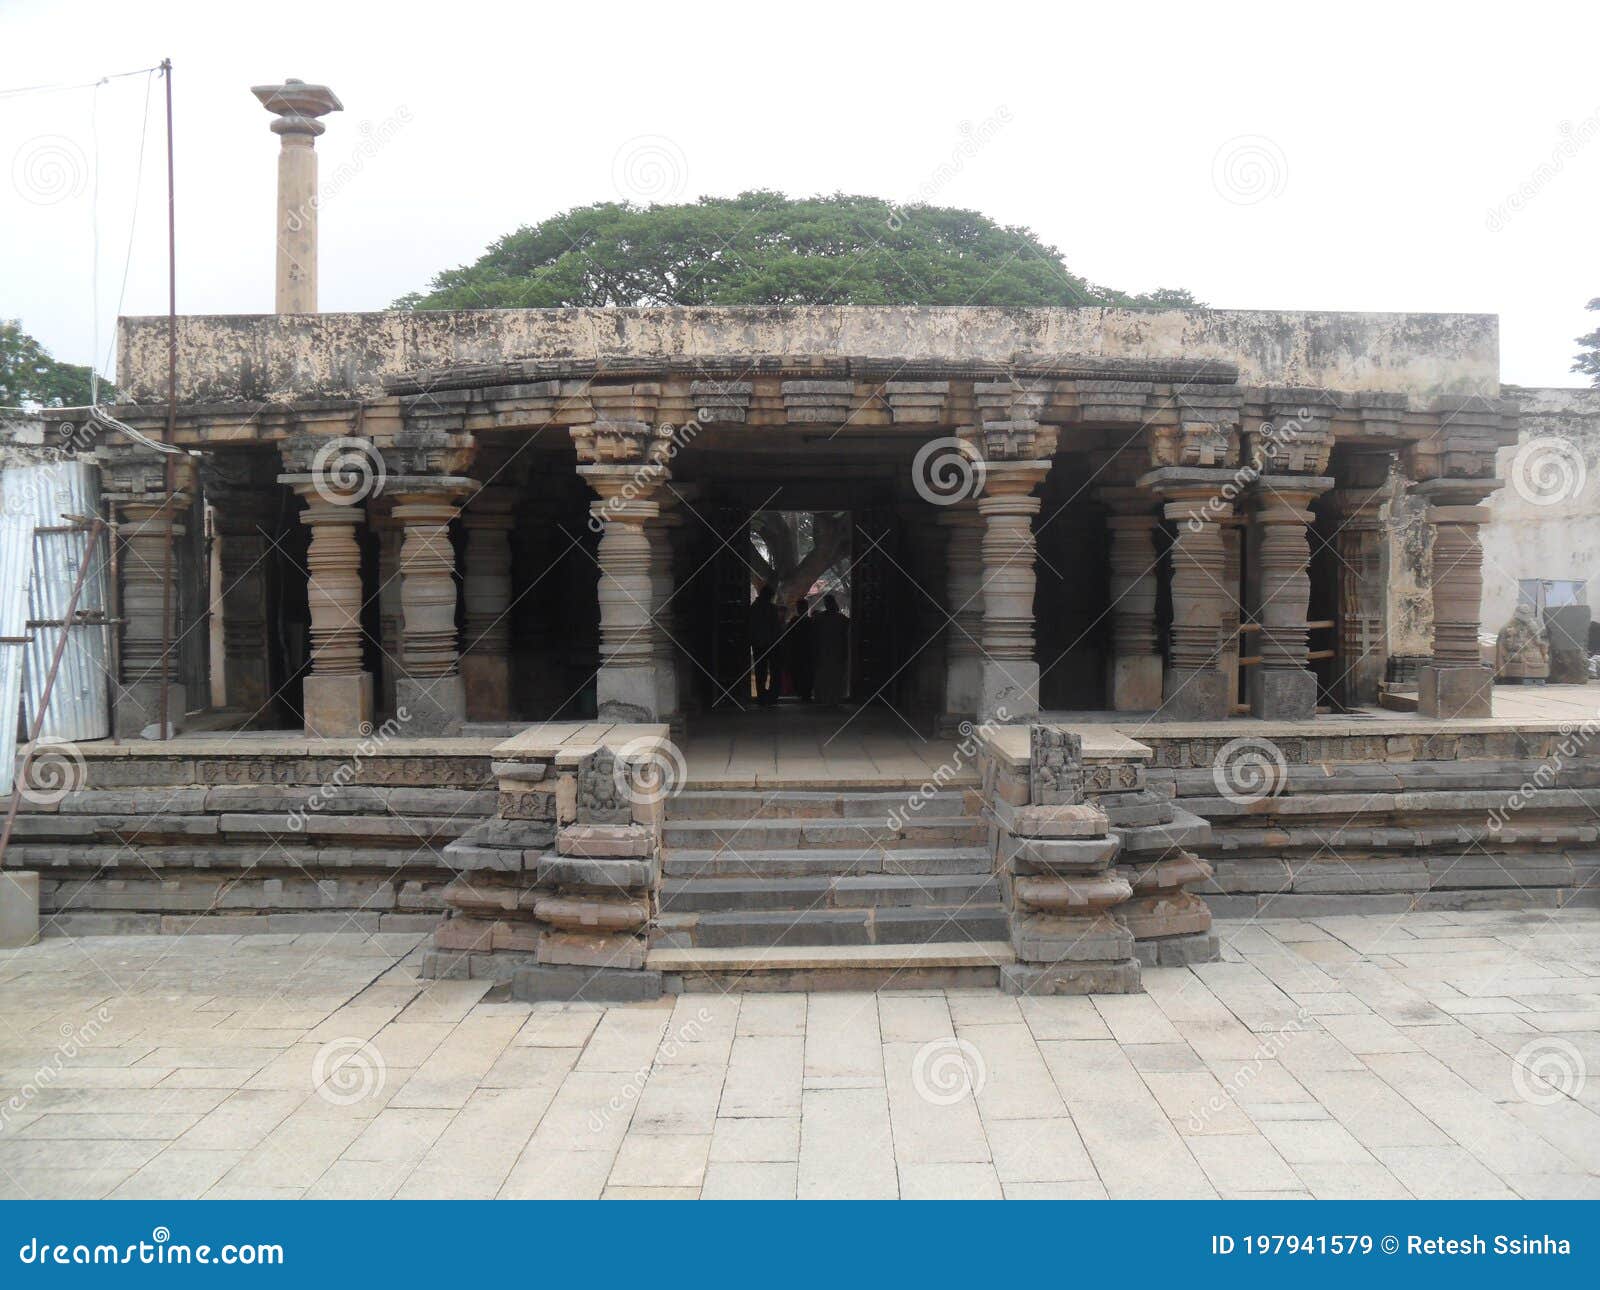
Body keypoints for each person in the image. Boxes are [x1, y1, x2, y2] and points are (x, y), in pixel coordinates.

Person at [811, 594, 848, 706]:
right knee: (834, 676)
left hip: (824, 650)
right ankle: (833, 699)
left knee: (825, 676)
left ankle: (823, 698)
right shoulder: (842, 619)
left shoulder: (819, 619)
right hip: (835, 651)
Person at [748, 584, 782, 705]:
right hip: (772, 644)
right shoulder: (772, 609)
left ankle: (761, 695)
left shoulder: (753, 608)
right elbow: (776, 627)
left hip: (758, 644)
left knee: (760, 671)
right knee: (774, 671)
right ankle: (772, 696)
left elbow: (750, 628)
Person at [786, 598, 815, 702]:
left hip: (797, 653)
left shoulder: (794, 621)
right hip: (808, 653)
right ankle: (806, 694)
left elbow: (788, 637)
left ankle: (802, 693)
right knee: (807, 674)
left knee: (798, 674)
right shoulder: (811, 622)